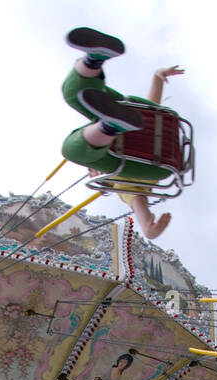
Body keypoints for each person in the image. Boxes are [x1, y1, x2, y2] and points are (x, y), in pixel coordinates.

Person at [60, 28, 183, 240]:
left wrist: (157, 76)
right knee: (71, 150)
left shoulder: (124, 182)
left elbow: (153, 108)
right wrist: (149, 229)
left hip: (153, 126)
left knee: (75, 94)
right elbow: (139, 205)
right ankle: (109, 126)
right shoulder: (123, 186)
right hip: (151, 158)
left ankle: (94, 58)